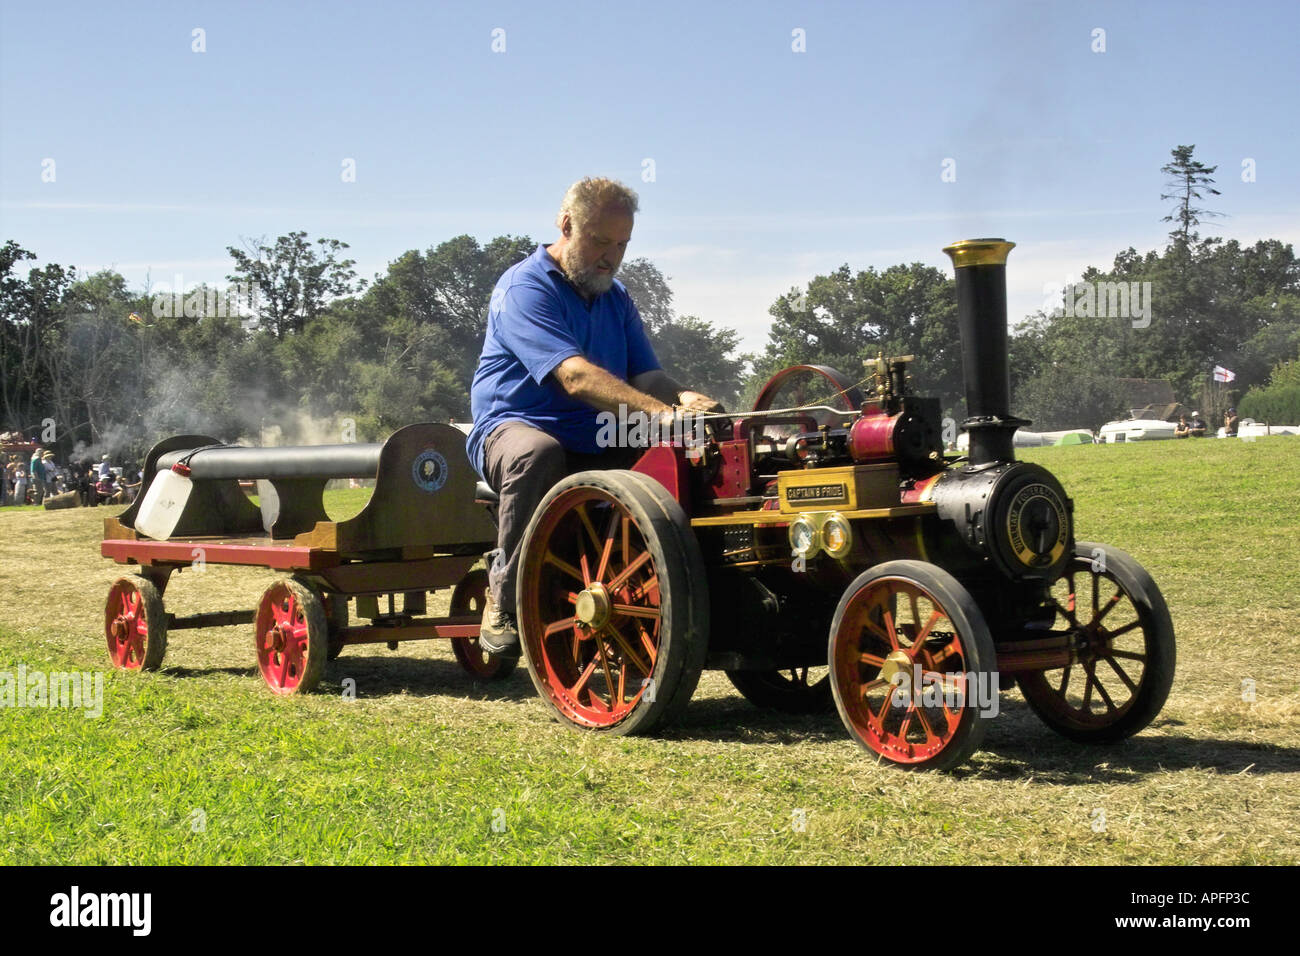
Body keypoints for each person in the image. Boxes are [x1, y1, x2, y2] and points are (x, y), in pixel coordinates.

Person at [466, 176, 722, 655]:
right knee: (537, 453)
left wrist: (686, 400)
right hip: (514, 427)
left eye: (621, 244)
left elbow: (648, 378)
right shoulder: (525, 288)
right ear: (566, 225)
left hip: (595, 433)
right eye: (600, 241)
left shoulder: (616, 297)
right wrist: (660, 414)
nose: (611, 256)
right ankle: (503, 595)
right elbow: (575, 378)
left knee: (680, 454)